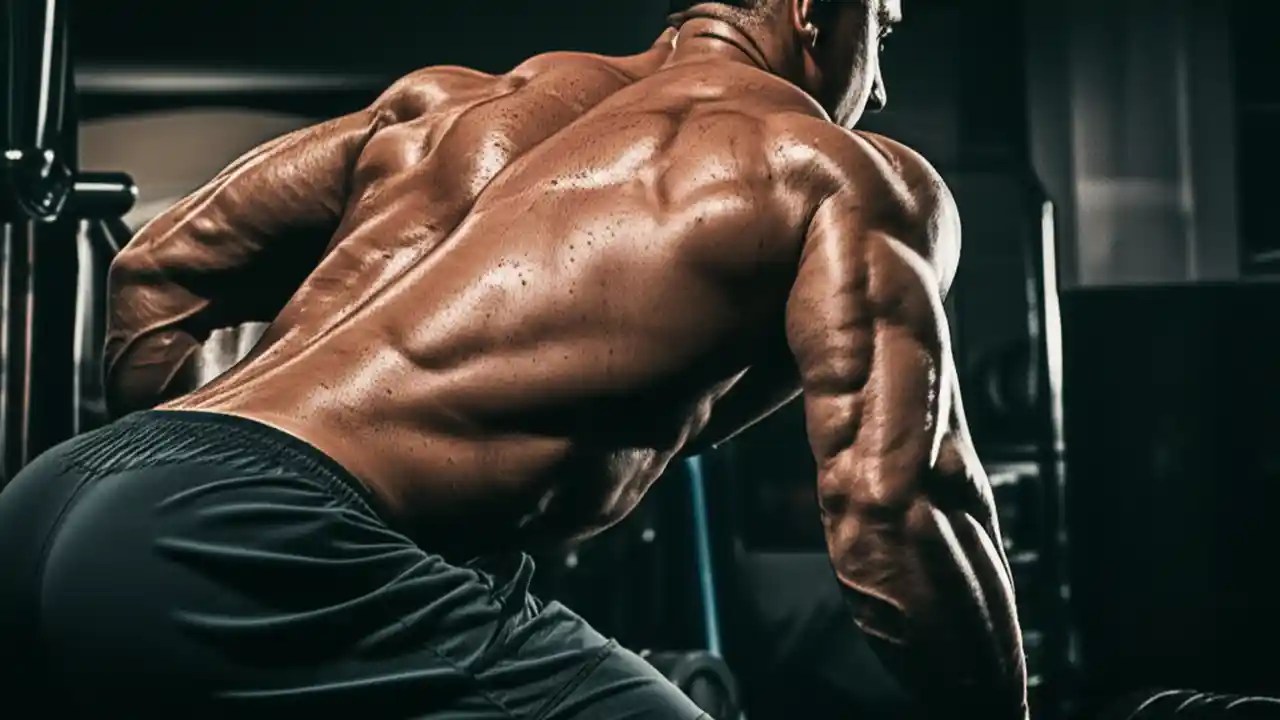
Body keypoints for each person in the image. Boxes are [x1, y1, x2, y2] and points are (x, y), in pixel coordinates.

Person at [0, 0, 1028, 717]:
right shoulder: (836, 174)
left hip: (56, 502)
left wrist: (165, 502)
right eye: (880, 28)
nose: (880, 81)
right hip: (247, 543)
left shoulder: (452, 105)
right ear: (814, 9)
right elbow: (900, 510)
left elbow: (155, 270)